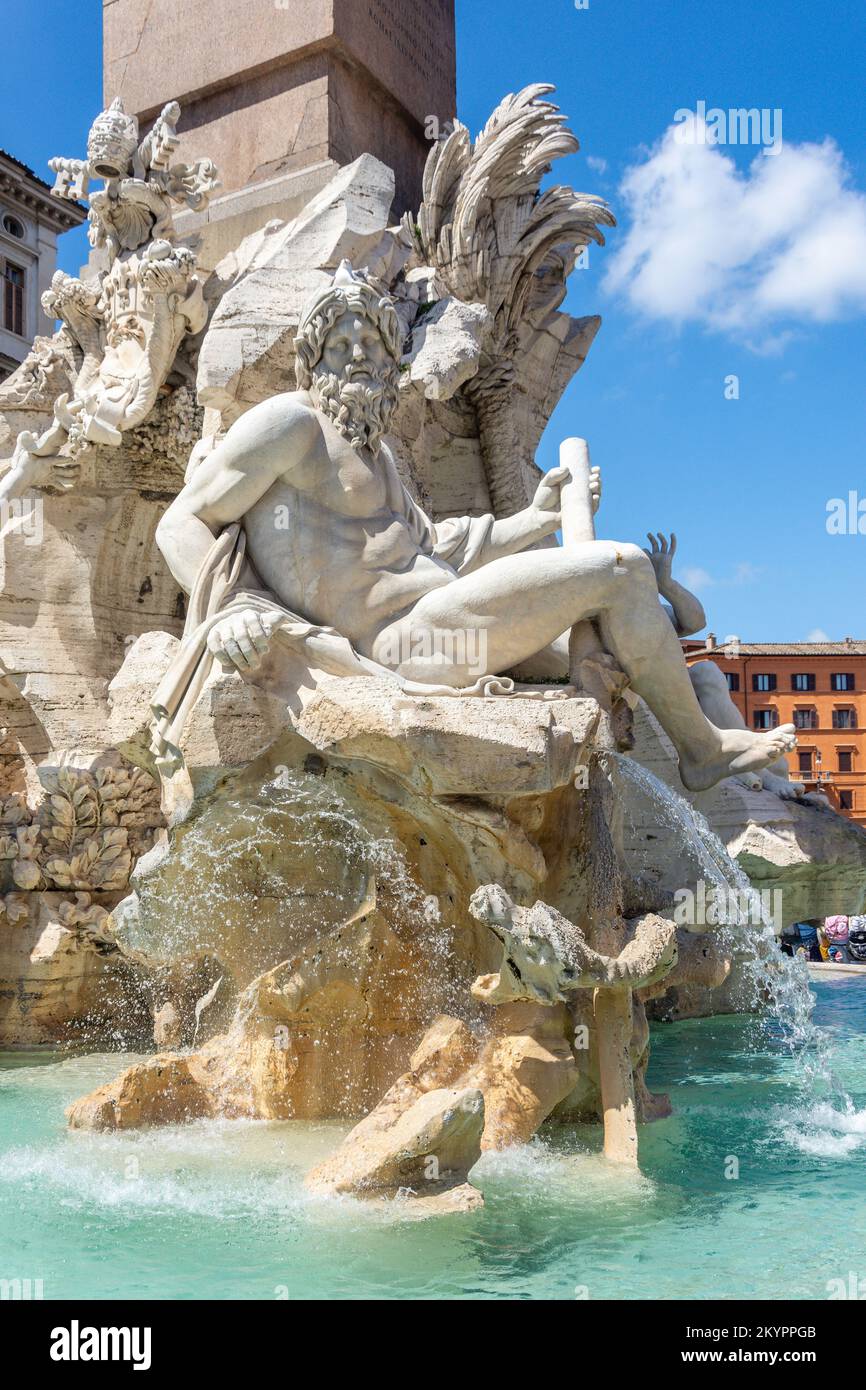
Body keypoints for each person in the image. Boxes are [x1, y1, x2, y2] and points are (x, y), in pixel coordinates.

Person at [155, 261, 795, 794]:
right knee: (621, 567)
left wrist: (536, 518)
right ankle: (703, 749)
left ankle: (690, 751)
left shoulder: (378, 455)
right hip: (403, 643)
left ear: (391, 362)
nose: (358, 356)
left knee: (618, 635)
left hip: (443, 616)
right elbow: (180, 520)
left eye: (373, 343)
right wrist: (233, 607)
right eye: (340, 342)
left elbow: (437, 546)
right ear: (311, 359)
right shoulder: (289, 425)